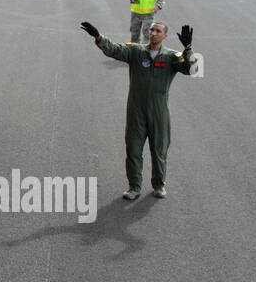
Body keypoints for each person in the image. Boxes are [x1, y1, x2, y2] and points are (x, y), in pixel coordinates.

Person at [80, 19, 196, 200]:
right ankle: (134, 187)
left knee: (159, 150)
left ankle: (159, 185)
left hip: (159, 112)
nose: (153, 33)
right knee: (133, 149)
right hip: (136, 109)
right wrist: (98, 37)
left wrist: (188, 49)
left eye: (158, 31)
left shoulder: (173, 57)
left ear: (165, 36)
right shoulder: (136, 51)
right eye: (151, 30)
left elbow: (191, 69)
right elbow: (115, 50)